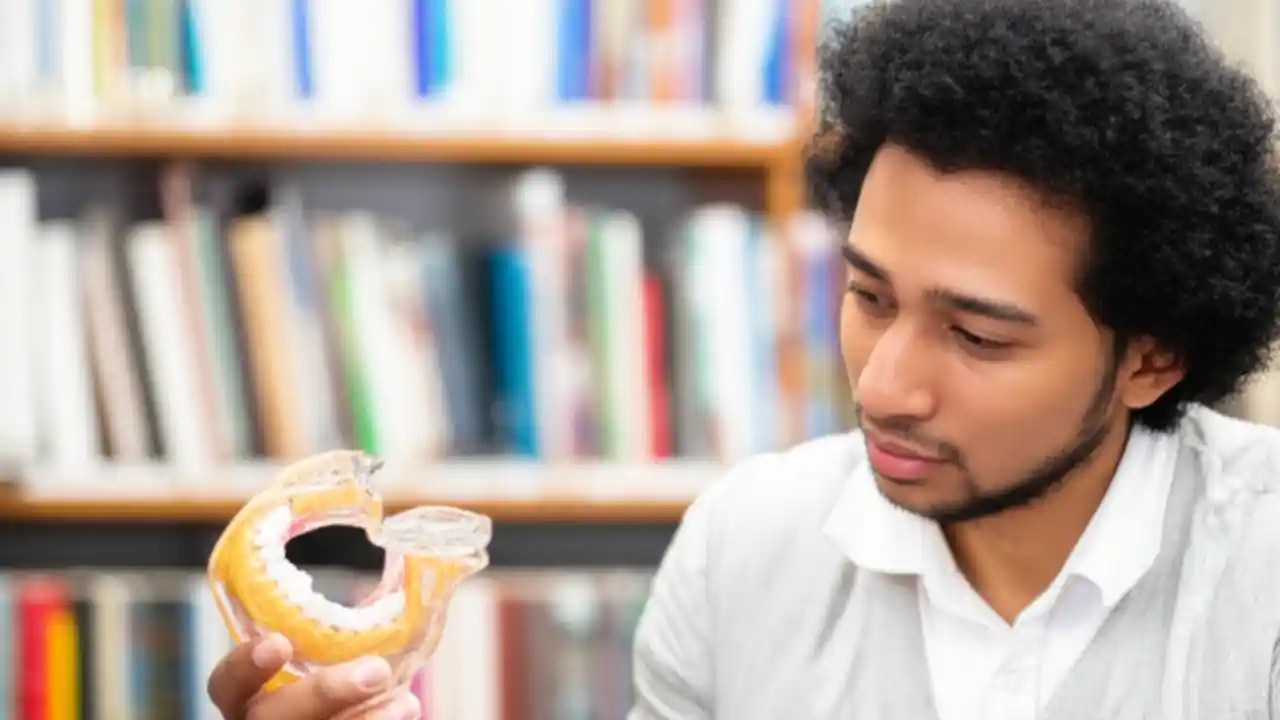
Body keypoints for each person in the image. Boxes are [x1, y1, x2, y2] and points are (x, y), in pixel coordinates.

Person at [207, 0, 1280, 717]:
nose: (881, 384)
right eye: (867, 296)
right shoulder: (746, 545)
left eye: (977, 335)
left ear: (1149, 357)